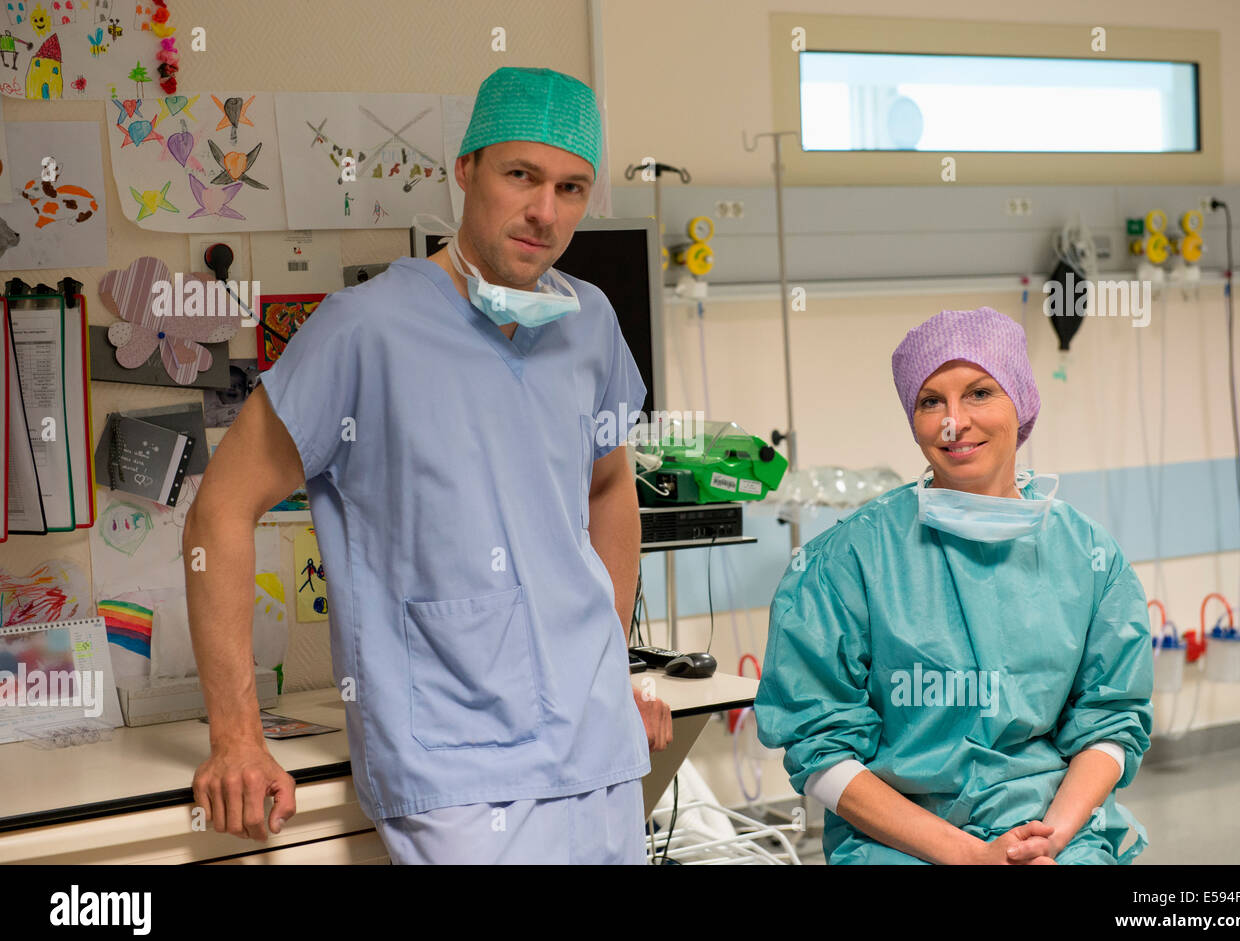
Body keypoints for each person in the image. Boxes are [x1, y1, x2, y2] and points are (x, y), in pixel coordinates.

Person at [185, 66, 671, 864]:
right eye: (522, 176)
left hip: (599, 753)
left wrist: (609, 664)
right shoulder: (363, 331)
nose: (545, 212)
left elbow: (611, 485)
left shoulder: (590, 323)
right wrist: (236, 734)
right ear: (465, 169)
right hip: (454, 766)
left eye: (572, 188)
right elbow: (220, 511)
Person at [754, 306, 1153, 865]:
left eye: (980, 393)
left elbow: (1112, 720)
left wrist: (1051, 839)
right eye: (930, 401)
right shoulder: (849, 560)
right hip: (900, 841)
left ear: (1023, 401)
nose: (953, 422)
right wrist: (970, 857)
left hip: (1056, 827)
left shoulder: (1089, 557)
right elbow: (818, 748)